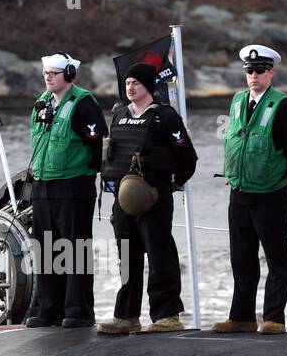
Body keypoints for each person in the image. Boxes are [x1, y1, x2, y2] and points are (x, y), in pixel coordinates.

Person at [97, 63, 197, 334]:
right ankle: (126, 315)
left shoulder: (165, 117)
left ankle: (167, 315)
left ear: (148, 86)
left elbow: (187, 157)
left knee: (159, 253)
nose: (130, 87)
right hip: (122, 198)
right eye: (128, 83)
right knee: (127, 257)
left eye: (136, 83)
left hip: (154, 196)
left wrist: (171, 184)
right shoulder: (119, 114)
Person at [213, 44, 287, 335]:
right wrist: (232, 171)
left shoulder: (283, 104)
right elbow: (233, 141)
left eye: (260, 70)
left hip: (270, 193)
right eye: (249, 70)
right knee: (241, 257)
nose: (254, 75)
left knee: (276, 257)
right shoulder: (238, 100)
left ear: (271, 73)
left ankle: (273, 317)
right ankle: (241, 316)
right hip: (239, 191)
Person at [25, 52, 108, 328]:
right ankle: (49, 308)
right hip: (43, 185)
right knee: (46, 248)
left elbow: (98, 144)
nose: (48, 77)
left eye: (54, 73)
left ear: (69, 75)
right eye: (46, 72)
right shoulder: (41, 103)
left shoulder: (83, 104)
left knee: (75, 249)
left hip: (73, 185)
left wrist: (89, 174)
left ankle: (79, 310)